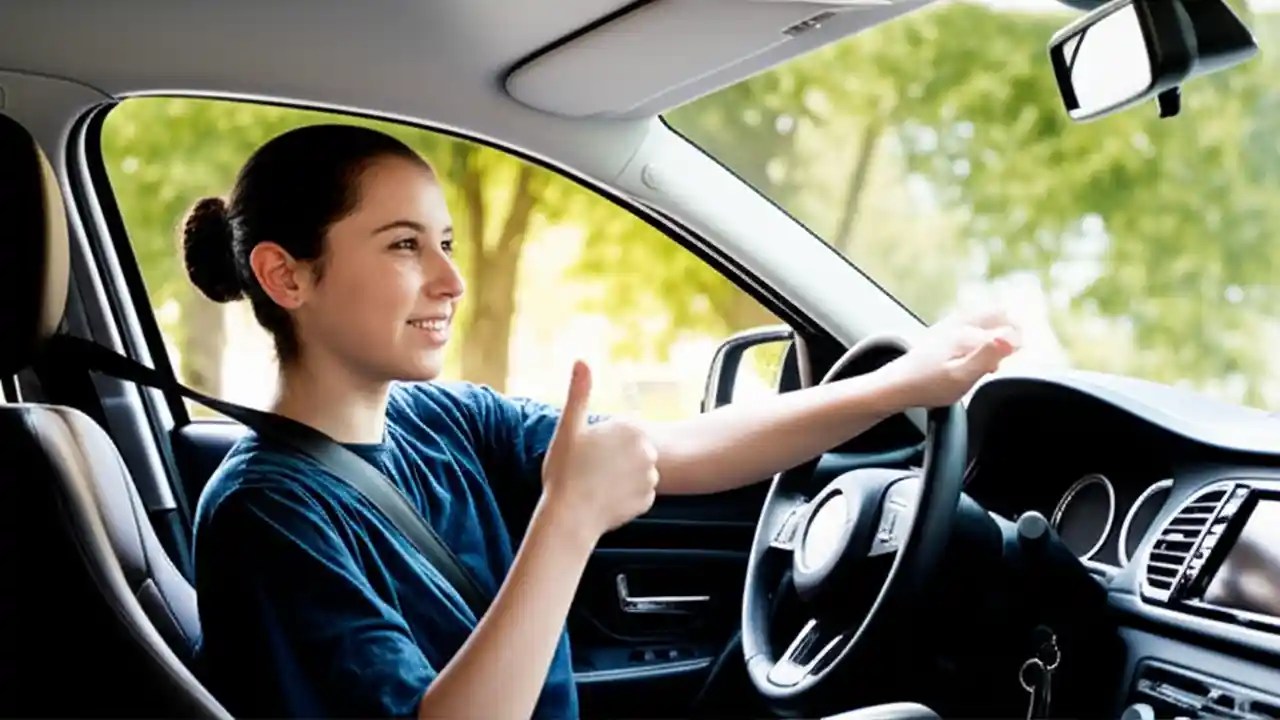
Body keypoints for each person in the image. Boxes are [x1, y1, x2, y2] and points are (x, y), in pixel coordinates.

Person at [184, 123, 1019, 720]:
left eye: (445, 241)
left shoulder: (444, 420)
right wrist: (570, 516)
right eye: (405, 246)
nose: (450, 279)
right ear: (285, 277)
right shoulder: (267, 515)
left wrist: (892, 387)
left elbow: (665, 452)